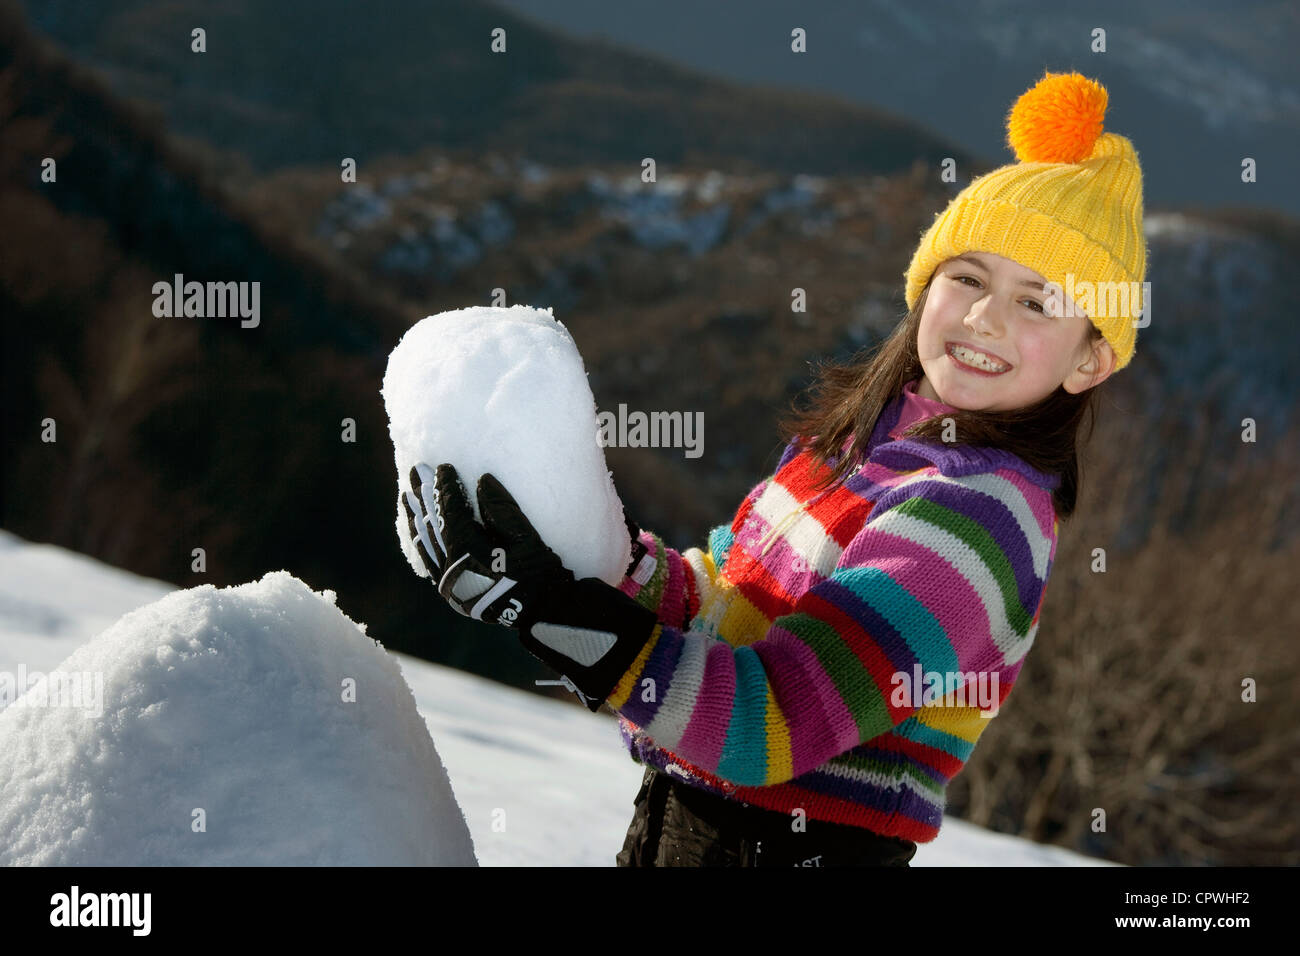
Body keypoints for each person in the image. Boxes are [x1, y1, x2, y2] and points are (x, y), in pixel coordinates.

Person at [402, 70, 1147, 866]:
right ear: (924, 289)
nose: (984, 316)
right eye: (967, 277)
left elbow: (773, 723)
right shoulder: (851, 453)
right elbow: (717, 607)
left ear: (1091, 359)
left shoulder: (978, 515)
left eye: (1038, 302)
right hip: (677, 832)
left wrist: (554, 614)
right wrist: (574, 551)